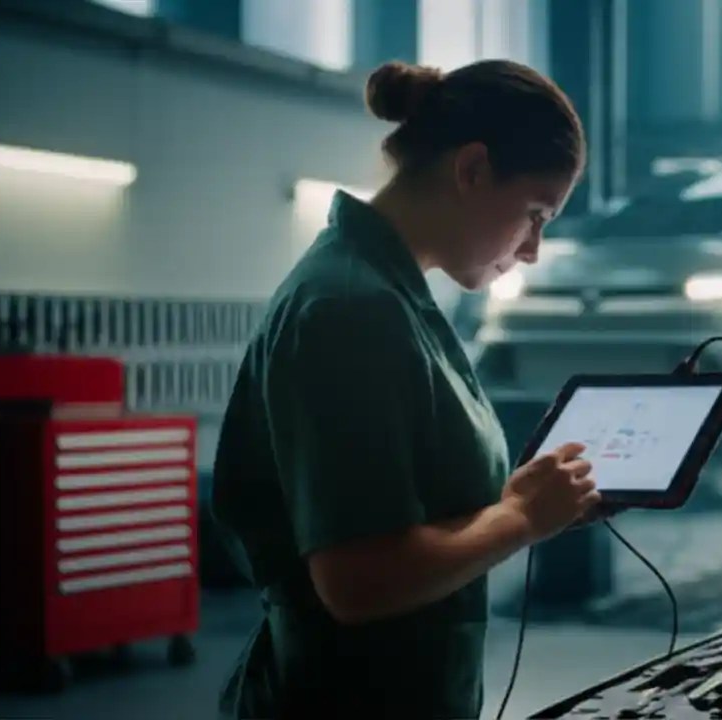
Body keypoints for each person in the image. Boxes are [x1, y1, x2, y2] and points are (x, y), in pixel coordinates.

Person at [211, 58, 600, 719]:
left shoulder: (390, 295)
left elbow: (411, 509)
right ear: (472, 169)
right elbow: (357, 581)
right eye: (536, 213)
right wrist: (521, 518)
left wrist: (533, 502)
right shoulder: (348, 308)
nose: (534, 247)